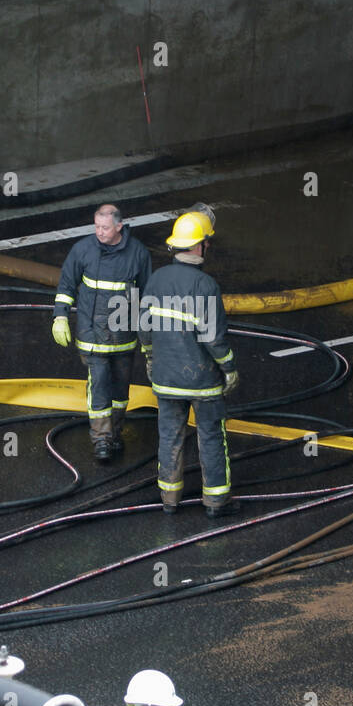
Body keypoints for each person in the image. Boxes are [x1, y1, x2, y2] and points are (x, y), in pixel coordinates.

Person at [139, 209, 240, 518]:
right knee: (210, 435)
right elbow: (214, 340)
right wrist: (229, 368)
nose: (207, 247)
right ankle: (215, 502)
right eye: (206, 242)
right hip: (203, 380)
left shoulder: (156, 280)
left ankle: (169, 500)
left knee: (169, 434)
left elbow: (143, 326)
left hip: (167, 376)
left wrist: (149, 356)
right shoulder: (206, 286)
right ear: (199, 246)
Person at [51, 204, 153, 461]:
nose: (99, 232)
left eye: (105, 228)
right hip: (92, 334)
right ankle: (101, 439)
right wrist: (60, 314)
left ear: (119, 226)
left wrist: (148, 337)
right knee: (99, 386)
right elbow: (66, 284)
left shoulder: (138, 253)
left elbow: (147, 296)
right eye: (96, 226)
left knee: (120, 390)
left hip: (123, 337)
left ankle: (115, 432)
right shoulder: (83, 250)